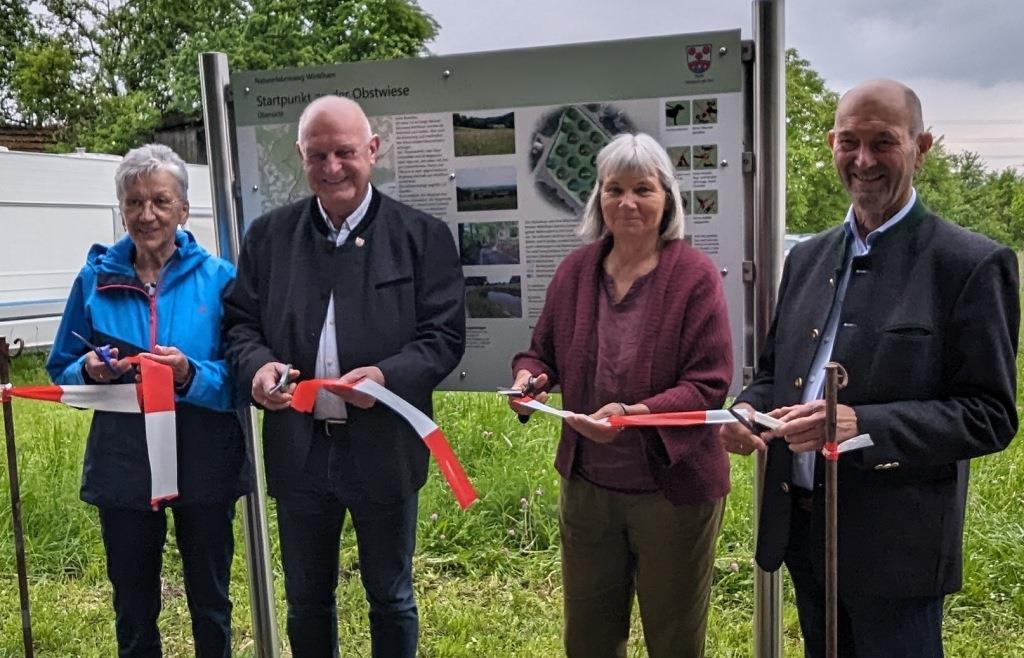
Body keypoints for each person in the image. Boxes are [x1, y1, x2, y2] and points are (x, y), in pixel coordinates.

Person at [719, 79, 1019, 657]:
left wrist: (863, 424)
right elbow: (775, 370)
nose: (863, 160)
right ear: (831, 143)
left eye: (884, 142)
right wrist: (749, 408)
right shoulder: (806, 257)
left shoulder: (970, 264)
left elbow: (989, 415)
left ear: (922, 147)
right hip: (804, 533)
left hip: (897, 552)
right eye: (849, 142)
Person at [222, 95, 465, 658]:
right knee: (307, 599)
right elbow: (240, 325)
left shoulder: (421, 236)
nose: (332, 168)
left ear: (372, 151)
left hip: (385, 449)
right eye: (318, 155)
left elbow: (442, 338)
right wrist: (259, 371)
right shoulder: (269, 237)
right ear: (301, 157)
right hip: (299, 451)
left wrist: (384, 375)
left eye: (345, 152)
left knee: (391, 595)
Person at [508, 132, 732, 658]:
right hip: (589, 489)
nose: (627, 202)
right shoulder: (575, 272)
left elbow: (709, 384)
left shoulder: (695, 276)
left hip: (672, 494)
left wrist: (633, 415)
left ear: (667, 199)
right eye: (614, 190)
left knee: (673, 639)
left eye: (643, 189)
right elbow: (540, 352)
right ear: (598, 199)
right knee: (588, 638)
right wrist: (528, 380)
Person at [46, 144, 251, 657]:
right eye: (134, 203)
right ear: (122, 210)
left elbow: (244, 377)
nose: (147, 214)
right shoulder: (95, 279)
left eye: (160, 200)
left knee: (211, 599)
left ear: (184, 208)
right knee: (133, 603)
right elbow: (60, 366)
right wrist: (89, 370)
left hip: (202, 449)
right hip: (124, 456)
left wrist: (189, 374)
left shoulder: (221, 279)